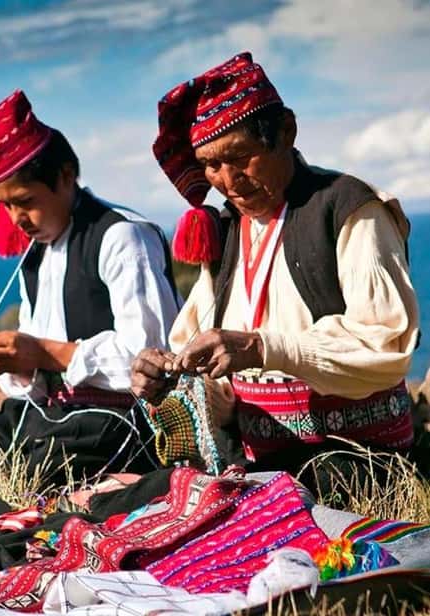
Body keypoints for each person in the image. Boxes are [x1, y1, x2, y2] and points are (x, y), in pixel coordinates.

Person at [130, 52, 419, 493]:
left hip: (353, 461)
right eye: (211, 165)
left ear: (286, 132)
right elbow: (217, 383)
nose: (228, 181)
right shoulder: (227, 231)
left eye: (241, 157)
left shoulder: (349, 209)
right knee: (130, 508)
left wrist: (262, 347)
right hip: (259, 463)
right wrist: (168, 380)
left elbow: (386, 347)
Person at [0, 90, 180, 490]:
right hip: (57, 417)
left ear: (66, 175)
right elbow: (37, 376)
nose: (17, 218)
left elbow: (154, 362)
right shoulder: (35, 257)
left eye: (25, 201)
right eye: (5, 206)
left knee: (42, 465)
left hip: (118, 423)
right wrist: (14, 364)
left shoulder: (123, 237)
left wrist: (45, 353)